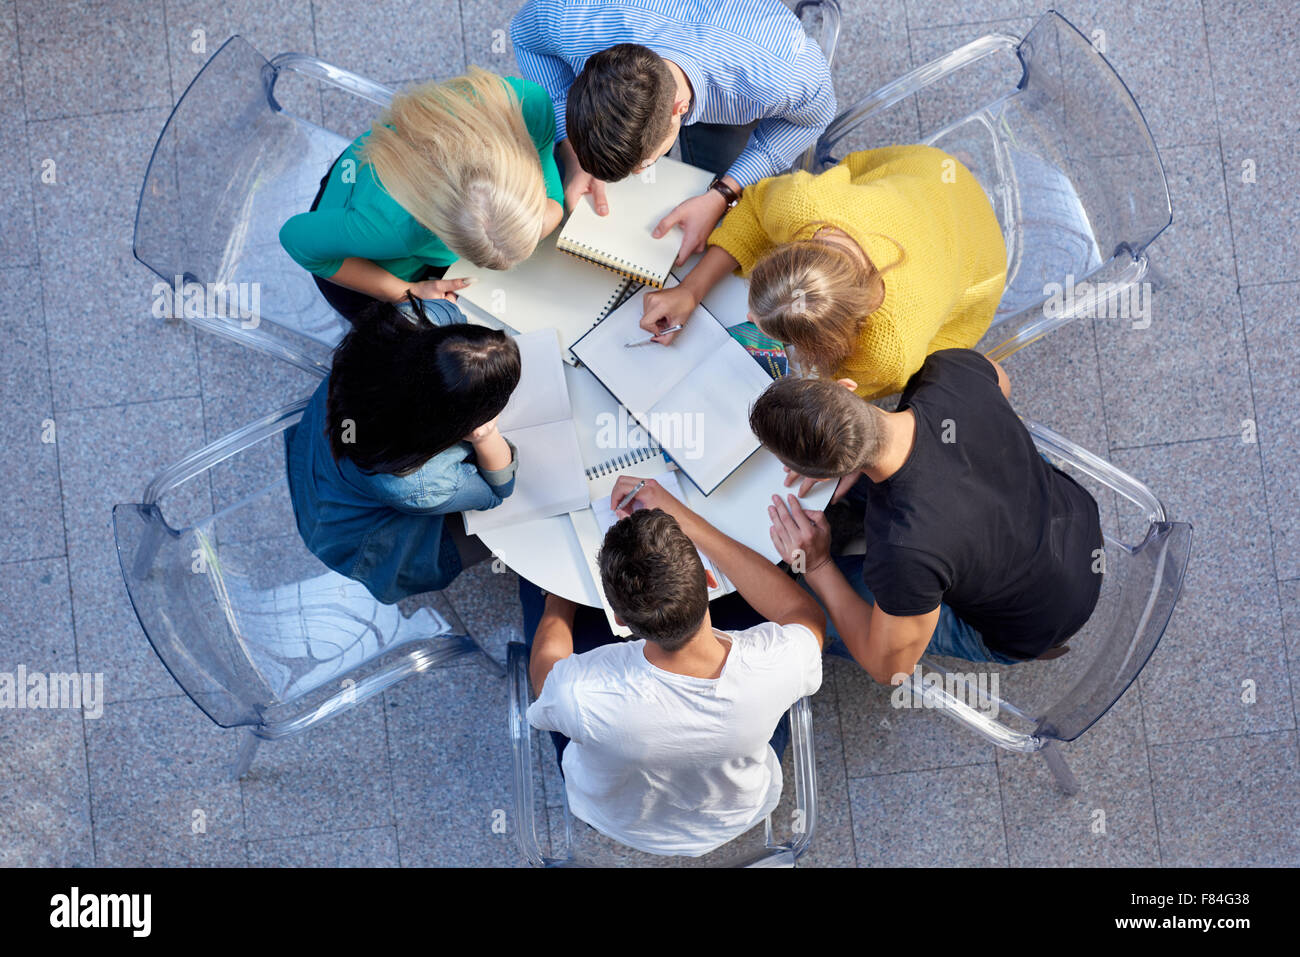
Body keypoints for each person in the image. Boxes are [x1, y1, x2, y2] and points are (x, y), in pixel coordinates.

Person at [750, 349, 1104, 680]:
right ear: (846, 387)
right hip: (1077, 524)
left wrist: (818, 566)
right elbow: (1000, 382)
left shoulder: (903, 551)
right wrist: (857, 444)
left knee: (795, 605)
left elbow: (889, 668)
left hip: (1034, 622)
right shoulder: (948, 371)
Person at [527, 479, 826, 857]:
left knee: (537, 599)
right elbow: (805, 617)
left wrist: (557, 594)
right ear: (711, 579)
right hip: (739, 807)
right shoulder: (775, 663)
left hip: (620, 815)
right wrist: (689, 520)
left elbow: (546, 677)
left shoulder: (579, 694)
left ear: (618, 620)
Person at [639, 146, 1007, 402]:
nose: (748, 319)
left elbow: (845, 399)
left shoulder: (887, 352)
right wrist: (690, 289)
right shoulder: (803, 205)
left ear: (829, 344)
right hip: (932, 175)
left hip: (978, 261)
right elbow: (753, 210)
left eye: (773, 331)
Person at [510, 0, 836, 264]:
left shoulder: (781, 77)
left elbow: (811, 118)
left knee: (733, 196)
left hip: (738, 68)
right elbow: (525, 36)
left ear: (681, 108)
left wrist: (723, 194)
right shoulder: (571, 18)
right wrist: (572, 149)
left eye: (644, 164)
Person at [283, 295, 521, 604]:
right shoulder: (418, 484)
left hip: (323, 459)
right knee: (517, 523)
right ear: (458, 424)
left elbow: (446, 309)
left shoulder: (413, 319)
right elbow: (498, 491)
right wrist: (485, 435)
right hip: (359, 535)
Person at [279, 67, 565, 323]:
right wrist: (404, 293)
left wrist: (552, 207)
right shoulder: (389, 228)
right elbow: (295, 239)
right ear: (434, 228)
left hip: (395, 168)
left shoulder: (526, 105)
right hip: (354, 247)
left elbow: (539, 150)